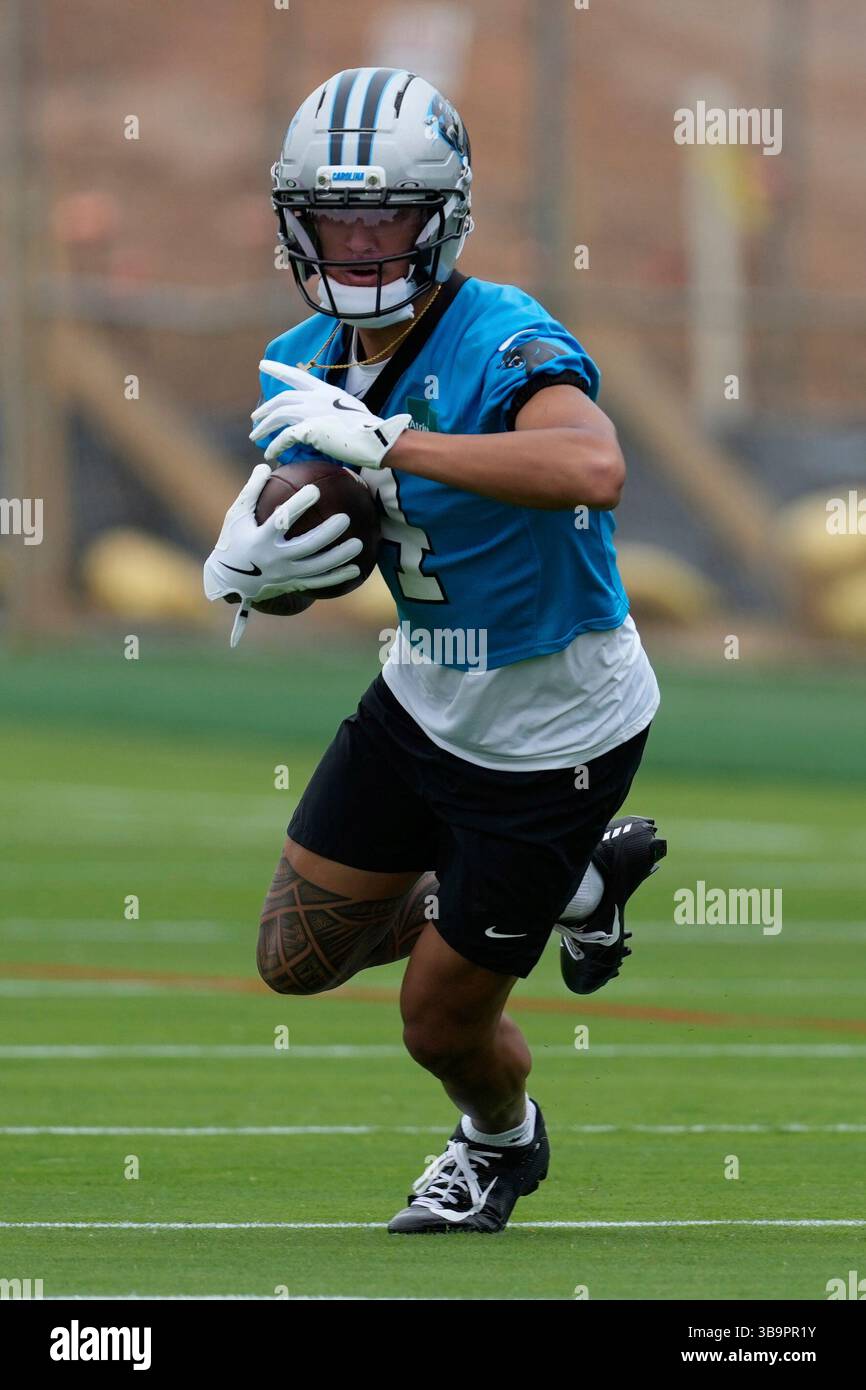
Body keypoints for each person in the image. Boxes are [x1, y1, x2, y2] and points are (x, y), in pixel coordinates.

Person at [203, 67, 666, 1234]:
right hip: (420, 695)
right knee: (293, 956)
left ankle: (494, 1146)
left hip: (551, 725)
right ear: (293, 225)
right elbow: (340, 543)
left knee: (436, 1020)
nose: (359, 246)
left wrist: (399, 441)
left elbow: (589, 469)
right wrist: (259, 562)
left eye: (386, 217)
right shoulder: (298, 354)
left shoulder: (504, 335)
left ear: (444, 217)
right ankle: (573, 884)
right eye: (333, 219)